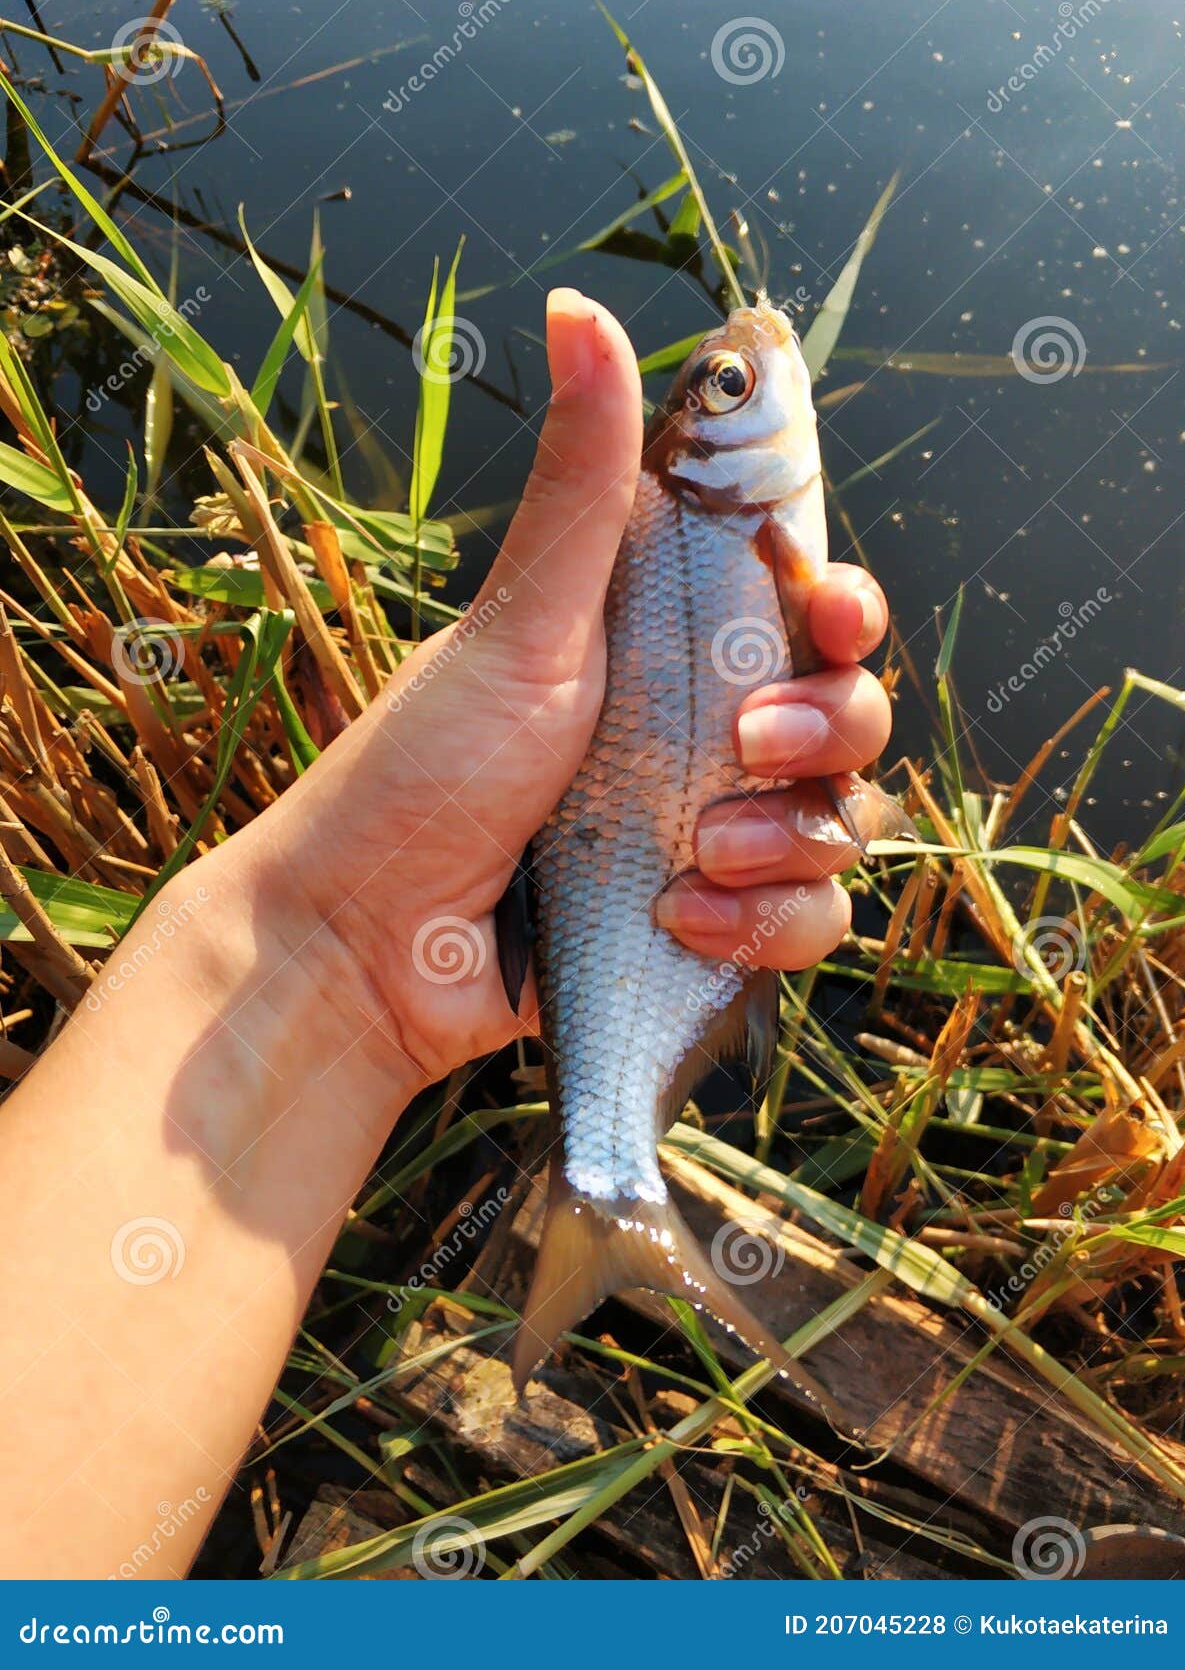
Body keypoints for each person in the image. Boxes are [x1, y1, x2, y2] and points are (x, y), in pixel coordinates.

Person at [0, 290, 893, 1578]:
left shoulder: (694, 519)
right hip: (597, 888)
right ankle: (611, 1187)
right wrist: (354, 950)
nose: (750, 372)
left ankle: (606, 1182)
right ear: (695, 448)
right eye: (725, 390)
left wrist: (345, 956)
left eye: (725, 391)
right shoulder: (698, 517)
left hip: (579, 895)